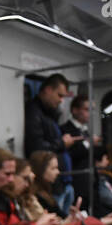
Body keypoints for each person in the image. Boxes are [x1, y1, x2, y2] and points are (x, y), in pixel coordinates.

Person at [23, 74, 75, 212]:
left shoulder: (49, 114)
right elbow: (36, 147)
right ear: (47, 90)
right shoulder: (33, 112)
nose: (61, 101)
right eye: (59, 95)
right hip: (51, 184)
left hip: (61, 182)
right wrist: (62, 143)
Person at [60, 93, 100, 186]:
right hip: (77, 180)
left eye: (92, 110)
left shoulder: (85, 130)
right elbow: (70, 154)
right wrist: (87, 143)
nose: (90, 114)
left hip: (91, 180)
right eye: (87, 109)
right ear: (75, 110)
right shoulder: (65, 130)